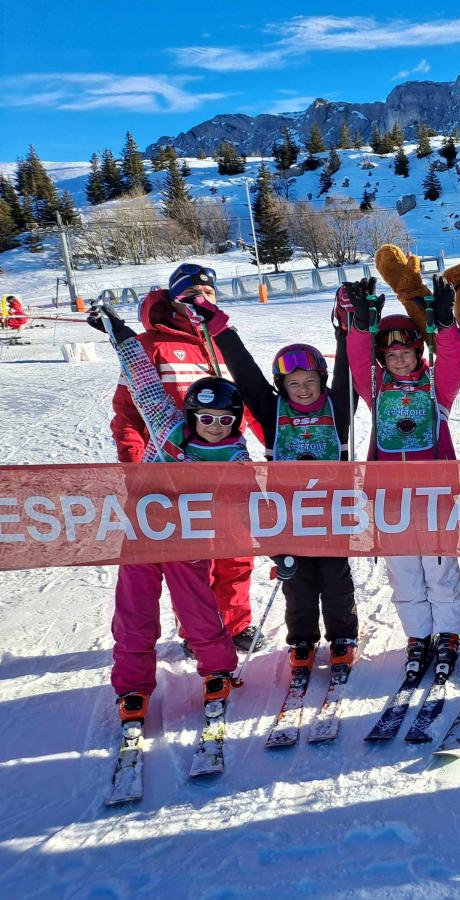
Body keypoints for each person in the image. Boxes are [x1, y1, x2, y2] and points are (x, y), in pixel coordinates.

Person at [87, 302, 243, 724]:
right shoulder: (167, 426)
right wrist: (122, 337)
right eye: (205, 417)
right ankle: (132, 685)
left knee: (197, 607)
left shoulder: (235, 457)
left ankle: (217, 670)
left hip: (188, 538)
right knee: (134, 610)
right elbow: (145, 384)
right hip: (143, 530)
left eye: (224, 420)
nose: (214, 426)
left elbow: (250, 503)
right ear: (191, 415)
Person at [189, 293, 360, 675]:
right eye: (293, 382)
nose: (303, 389)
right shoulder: (273, 411)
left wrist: (347, 328)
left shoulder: (338, 407)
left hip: (332, 514)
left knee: (335, 580)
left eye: (310, 381)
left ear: (322, 381)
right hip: (288, 517)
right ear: (282, 385)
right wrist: (219, 327)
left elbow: (349, 369)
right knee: (297, 583)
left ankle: (343, 637)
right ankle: (302, 640)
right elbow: (246, 373)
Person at [109, 263, 260, 653]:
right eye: (192, 295)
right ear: (174, 300)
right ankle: (199, 630)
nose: (201, 301)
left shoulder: (220, 342)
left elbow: (250, 405)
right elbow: (129, 412)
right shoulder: (152, 345)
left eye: (209, 294)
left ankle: (236, 623)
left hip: (226, 466)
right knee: (194, 560)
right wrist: (135, 467)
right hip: (174, 472)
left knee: (236, 552)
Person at [344, 276, 460, 678]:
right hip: (391, 499)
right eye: (390, 354)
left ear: (418, 352)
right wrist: (360, 327)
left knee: (440, 569)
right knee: (404, 573)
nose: (398, 360)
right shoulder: (377, 389)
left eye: (406, 352)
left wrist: (445, 325)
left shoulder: (436, 389)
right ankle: (418, 635)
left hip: (434, 496)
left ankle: (448, 632)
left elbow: (453, 359)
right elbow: (357, 361)